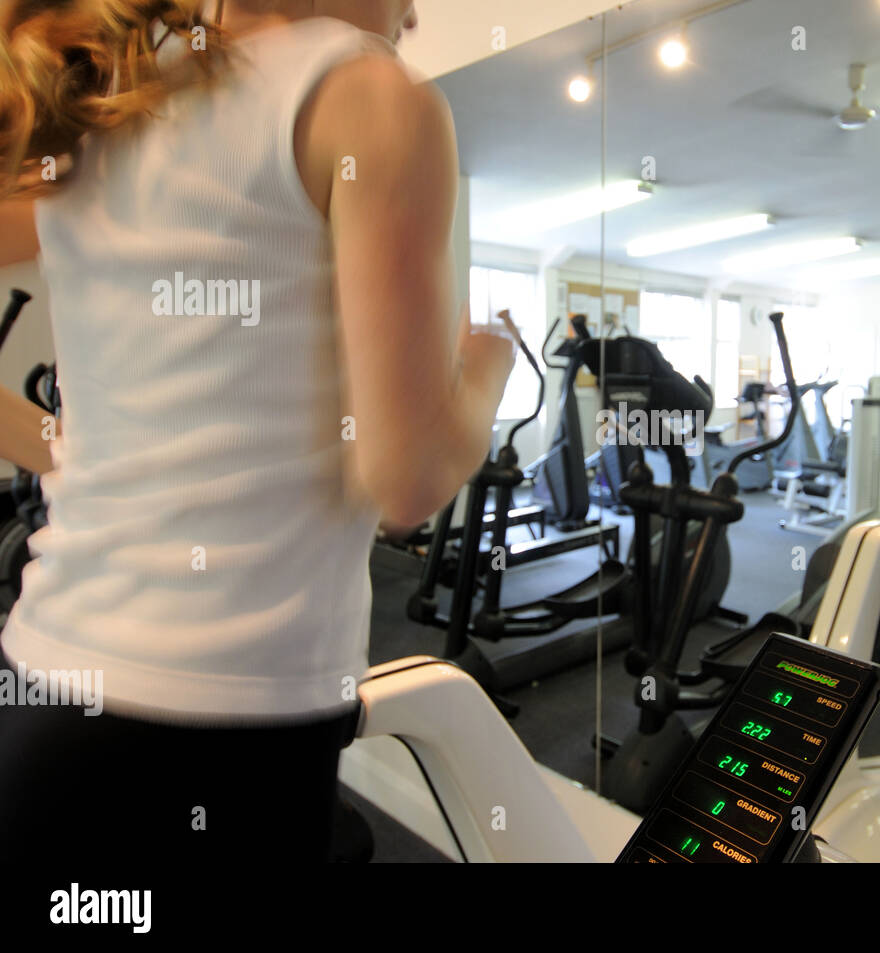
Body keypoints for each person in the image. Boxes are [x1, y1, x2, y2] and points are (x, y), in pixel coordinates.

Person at [0, 0, 517, 860]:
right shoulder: (369, 97)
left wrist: (75, 452)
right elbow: (407, 480)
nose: (416, 14)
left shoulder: (118, 102)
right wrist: (490, 361)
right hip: (222, 741)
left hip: (42, 694)